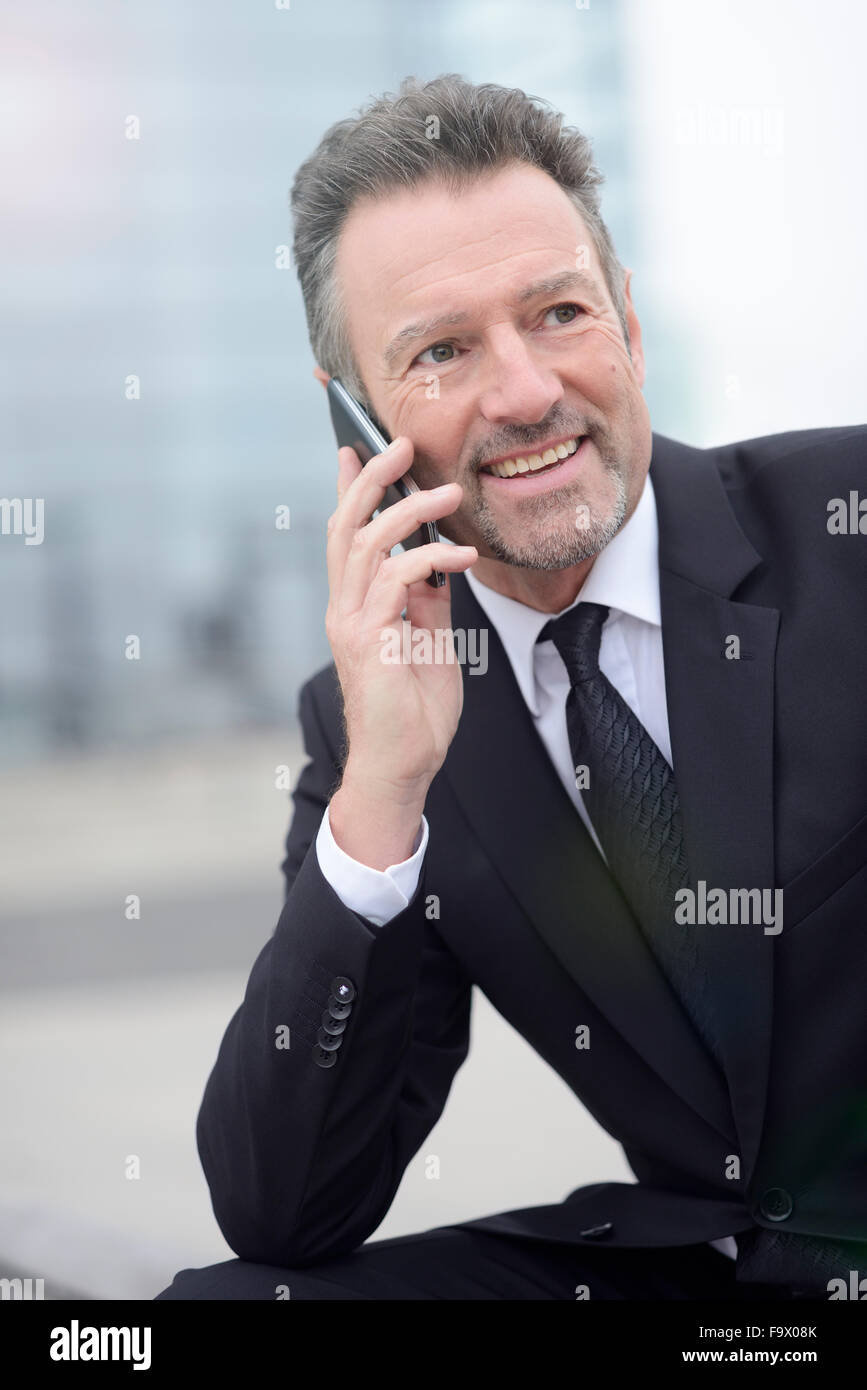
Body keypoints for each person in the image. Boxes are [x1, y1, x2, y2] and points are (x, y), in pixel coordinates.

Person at [157, 75, 867, 1301]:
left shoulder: (843, 531)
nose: (526, 391)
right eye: (441, 351)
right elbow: (288, 1208)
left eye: (557, 313)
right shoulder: (374, 719)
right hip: (710, 1276)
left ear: (628, 328)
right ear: (358, 422)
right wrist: (383, 794)